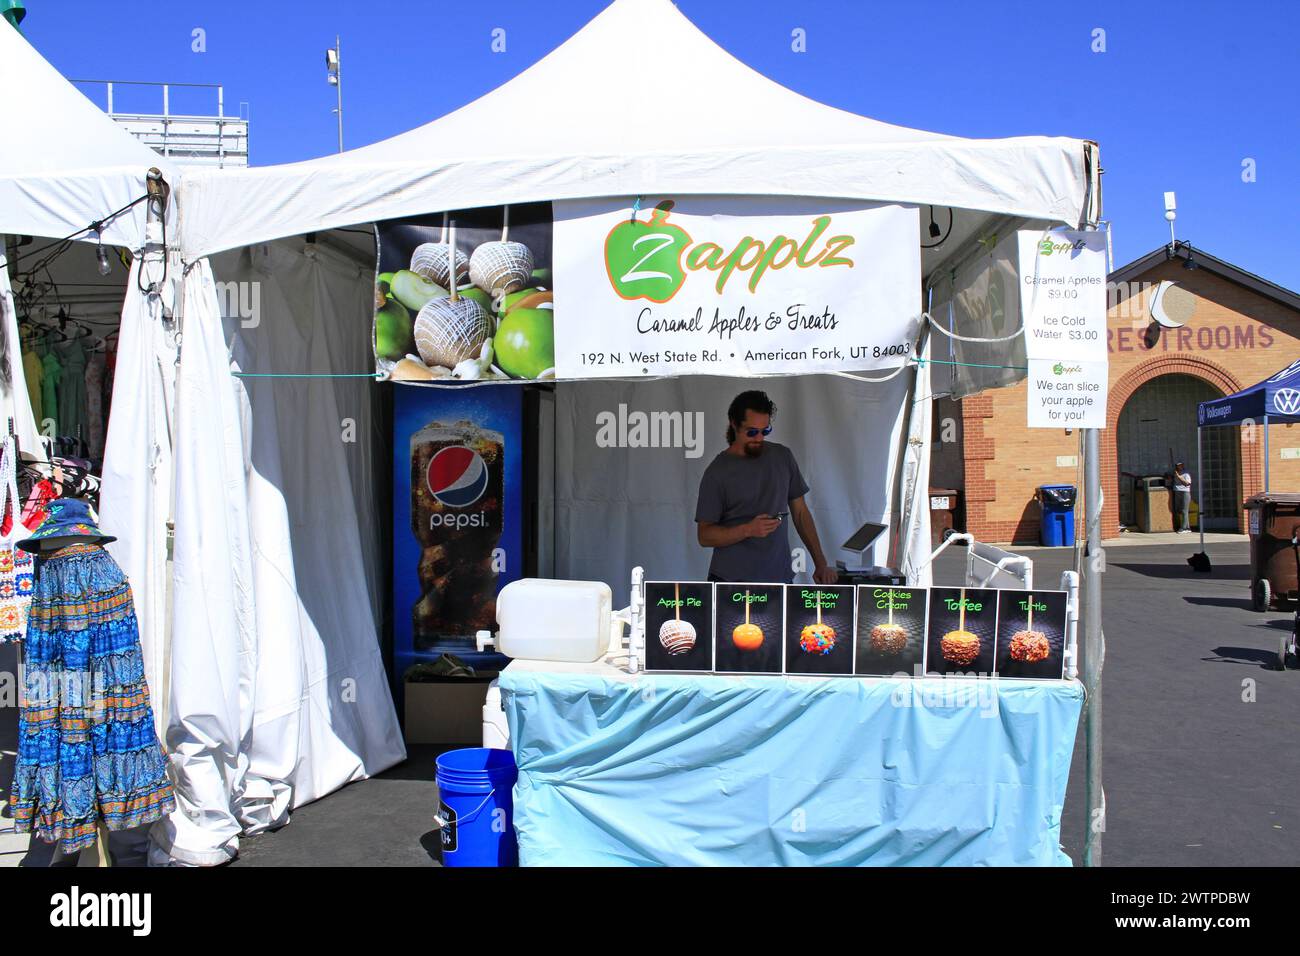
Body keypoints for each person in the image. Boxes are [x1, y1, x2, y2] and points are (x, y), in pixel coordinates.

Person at [694, 390, 836, 585]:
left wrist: (820, 563)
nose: (759, 438)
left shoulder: (783, 457)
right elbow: (705, 536)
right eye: (752, 431)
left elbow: (801, 513)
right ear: (733, 424)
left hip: (779, 580)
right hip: (730, 582)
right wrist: (747, 530)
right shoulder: (717, 472)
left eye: (765, 430)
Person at [1173, 461, 1192, 533]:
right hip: (1177, 491)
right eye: (1178, 465)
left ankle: (1183, 528)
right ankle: (1187, 528)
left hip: (1185, 492)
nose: (1179, 467)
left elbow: (1187, 483)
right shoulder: (1175, 473)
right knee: (1179, 510)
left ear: (1183, 466)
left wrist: (1179, 477)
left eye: (1180, 465)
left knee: (1184, 510)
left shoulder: (1186, 473)